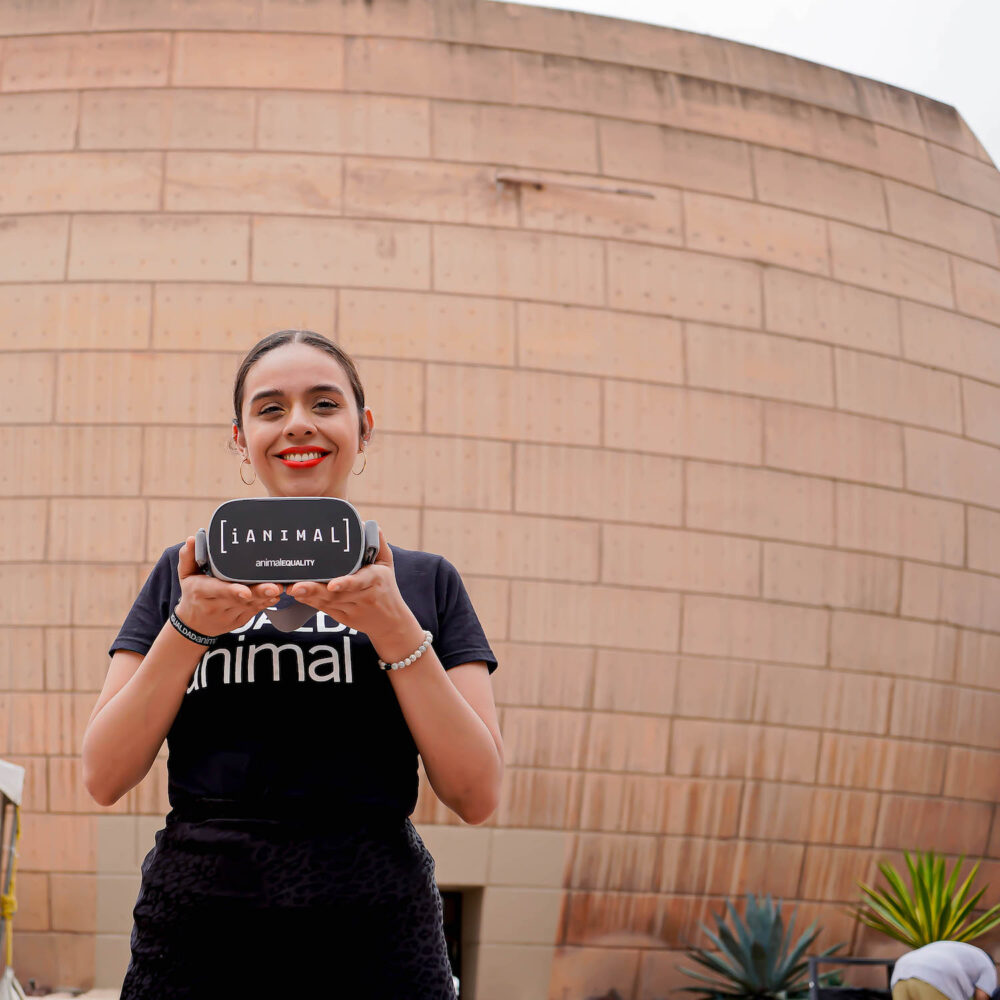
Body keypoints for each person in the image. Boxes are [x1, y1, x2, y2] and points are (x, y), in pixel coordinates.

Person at [81, 330, 503, 998]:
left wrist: (394, 629)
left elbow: (477, 795)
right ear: (240, 438)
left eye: (324, 403)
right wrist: (189, 630)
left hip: (376, 935)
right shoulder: (186, 576)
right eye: (270, 408)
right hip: (199, 932)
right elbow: (103, 776)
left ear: (363, 429)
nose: (298, 423)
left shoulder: (425, 582)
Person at [891, 941, 999, 1000]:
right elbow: (982, 997)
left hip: (901, 971)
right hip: (934, 976)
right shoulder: (987, 964)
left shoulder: (964, 951)